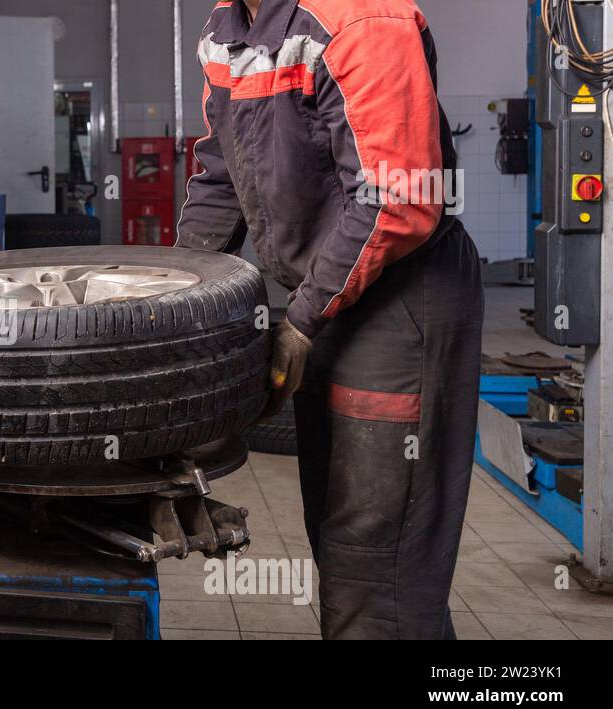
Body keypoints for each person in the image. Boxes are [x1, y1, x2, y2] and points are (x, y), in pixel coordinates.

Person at [175, 0, 484, 639]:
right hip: (330, 297)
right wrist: (173, 306)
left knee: (378, 555)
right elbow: (219, 179)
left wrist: (302, 321)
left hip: (401, 301)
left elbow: (398, 199)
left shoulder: (361, 20)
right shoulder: (226, 28)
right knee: (341, 532)